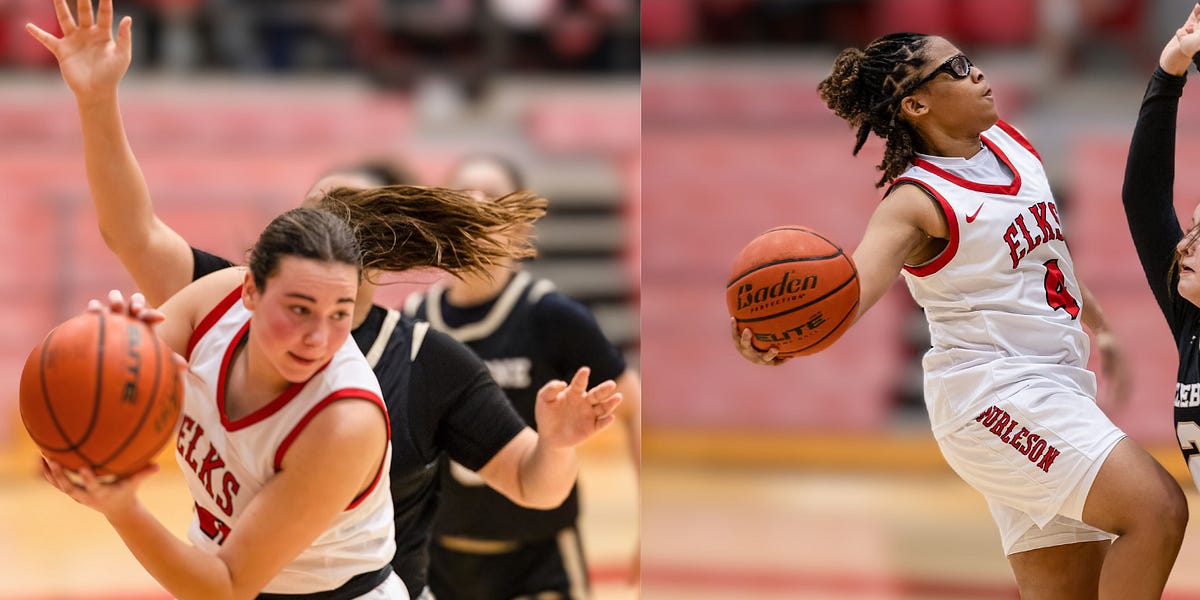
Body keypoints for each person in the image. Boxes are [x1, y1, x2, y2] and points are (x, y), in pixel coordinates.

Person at [27, 2, 625, 598]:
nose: (324, 222)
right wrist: (124, 349)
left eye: (345, 216)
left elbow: (531, 482)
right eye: (315, 207)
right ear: (255, 286)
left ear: (369, 258)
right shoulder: (225, 298)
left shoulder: (410, 372)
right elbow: (131, 234)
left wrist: (554, 444)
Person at [731, 32, 1187, 597]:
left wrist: (1103, 328)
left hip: (1057, 389)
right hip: (993, 398)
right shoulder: (914, 202)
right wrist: (776, 341)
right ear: (916, 104)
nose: (978, 73)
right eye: (958, 67)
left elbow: (1049, 258)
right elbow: (850, 291)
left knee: (1074, 588)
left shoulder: (1010, 143)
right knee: (1158, 510)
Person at [40, 199, 614, 598]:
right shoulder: (213, 302)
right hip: (221, 571)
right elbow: (118, 393)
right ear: (248, 289)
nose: (318, 337)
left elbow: (228, 587)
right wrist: (115, 352)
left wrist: (121, 508)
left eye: (339, 315)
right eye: (298, 310)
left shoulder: (346, 419)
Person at [402, 153, 641, 600]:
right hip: (436, 560)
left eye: (491, 195)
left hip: (536, 559)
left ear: (519, 224)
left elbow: (636, 406)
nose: (473, 201)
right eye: (460, 193)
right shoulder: (414, 321)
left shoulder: (551, 315)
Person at [1122, 6, 1200, 490]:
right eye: (1191, 228)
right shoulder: (1192, 318)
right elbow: (1144, 199)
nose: (1183, 245)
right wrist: (1171, 69)